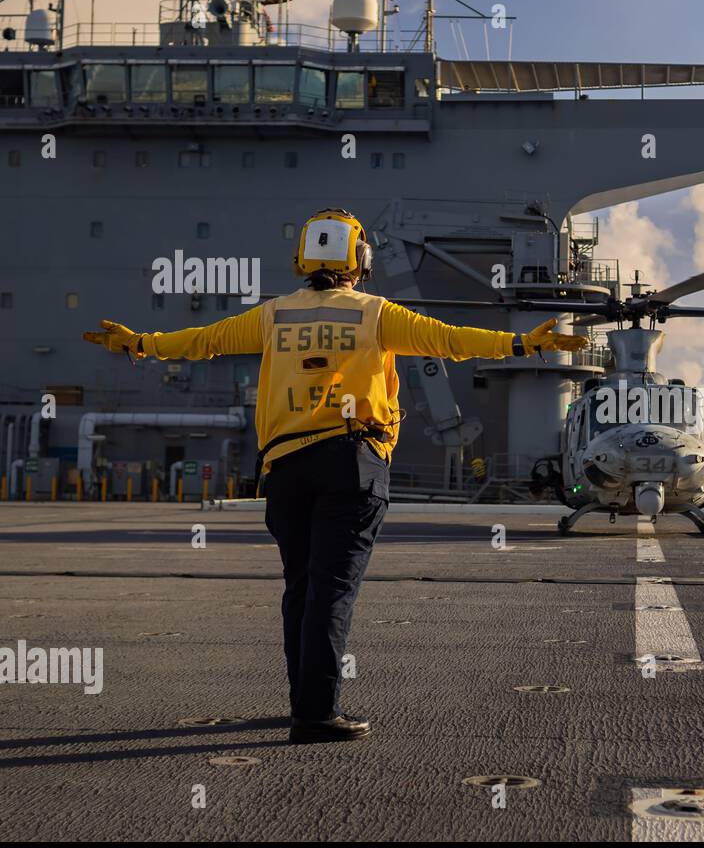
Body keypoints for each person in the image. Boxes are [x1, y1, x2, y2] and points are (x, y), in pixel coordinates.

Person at [84, 208, 586, 743]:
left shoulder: (274, 315)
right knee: (332, 591)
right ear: (361, 260)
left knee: (301, 589)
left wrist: (141, 343)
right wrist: (522, 344)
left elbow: (202, 341)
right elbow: (450, 340)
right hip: (351, 464)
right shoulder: (374, 314)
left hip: (284, 468)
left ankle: (305, 701)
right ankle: (316, 715)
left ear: (304, 258)